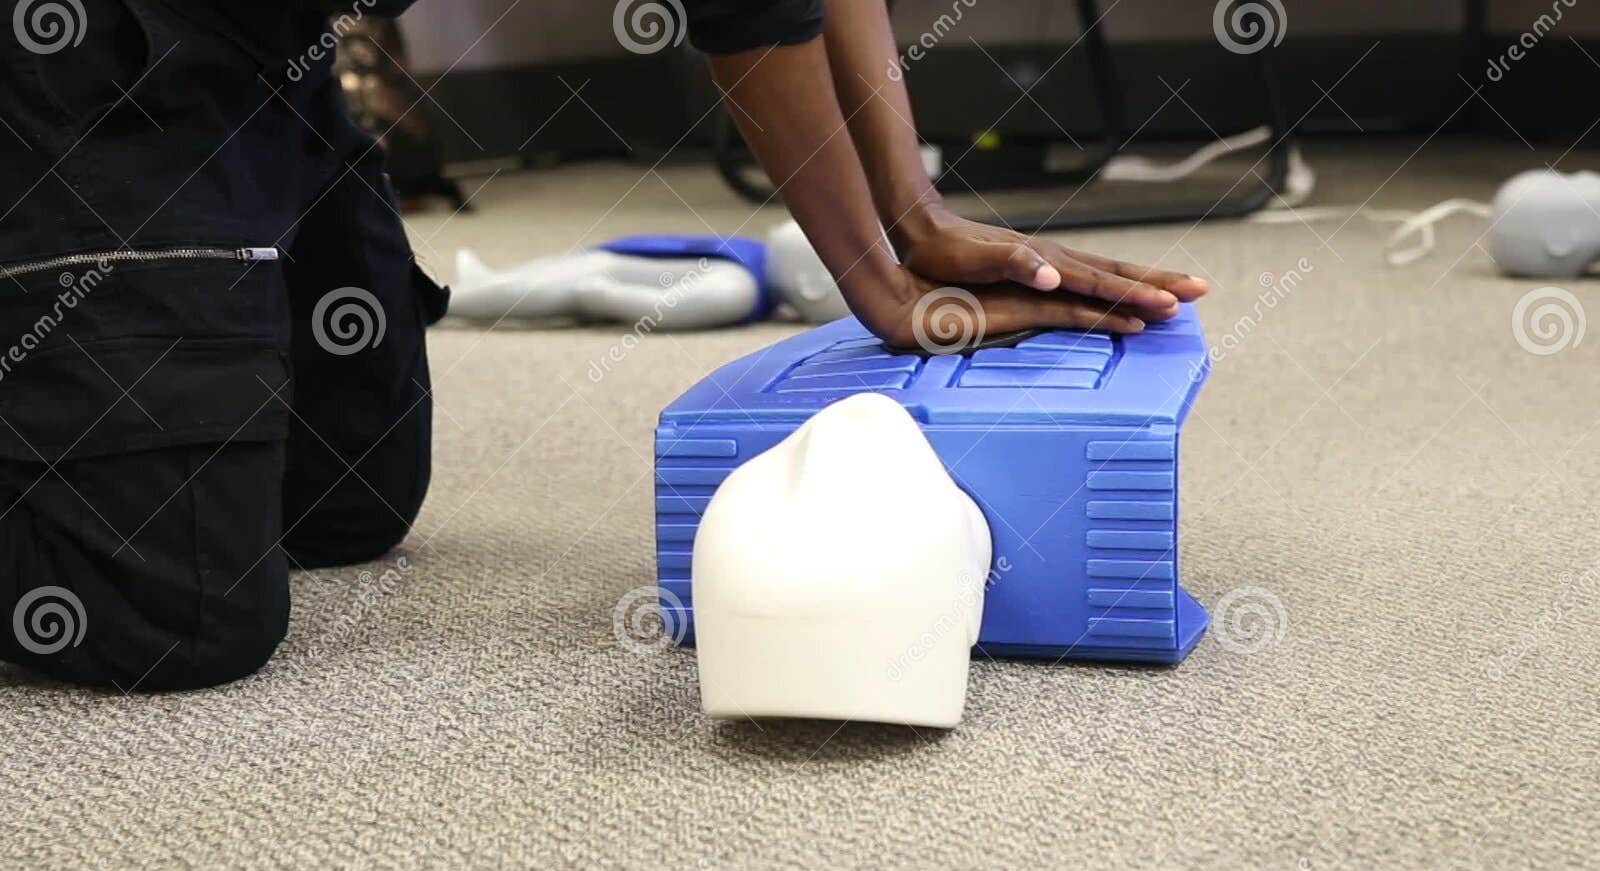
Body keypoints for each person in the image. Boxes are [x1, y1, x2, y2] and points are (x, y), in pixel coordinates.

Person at [0, 0, 1206, 691]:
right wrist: (874, 274)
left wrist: (913, 219)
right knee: (179, 613)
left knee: (346, 503)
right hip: (75, 49)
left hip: (252, 57)